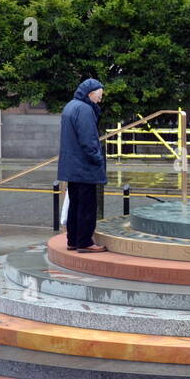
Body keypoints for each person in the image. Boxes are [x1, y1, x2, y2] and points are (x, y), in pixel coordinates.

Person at [58, 77, 108, 253]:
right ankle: (85, 241)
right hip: (84, 166)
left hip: (71, 165)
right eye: (99, 96)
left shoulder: (70, 106)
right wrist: (97, 159)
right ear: (90, 94)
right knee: (87, 205)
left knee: (75, 203)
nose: (100, 100)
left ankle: (73, 239)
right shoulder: (85, 109)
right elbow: (89, 140)